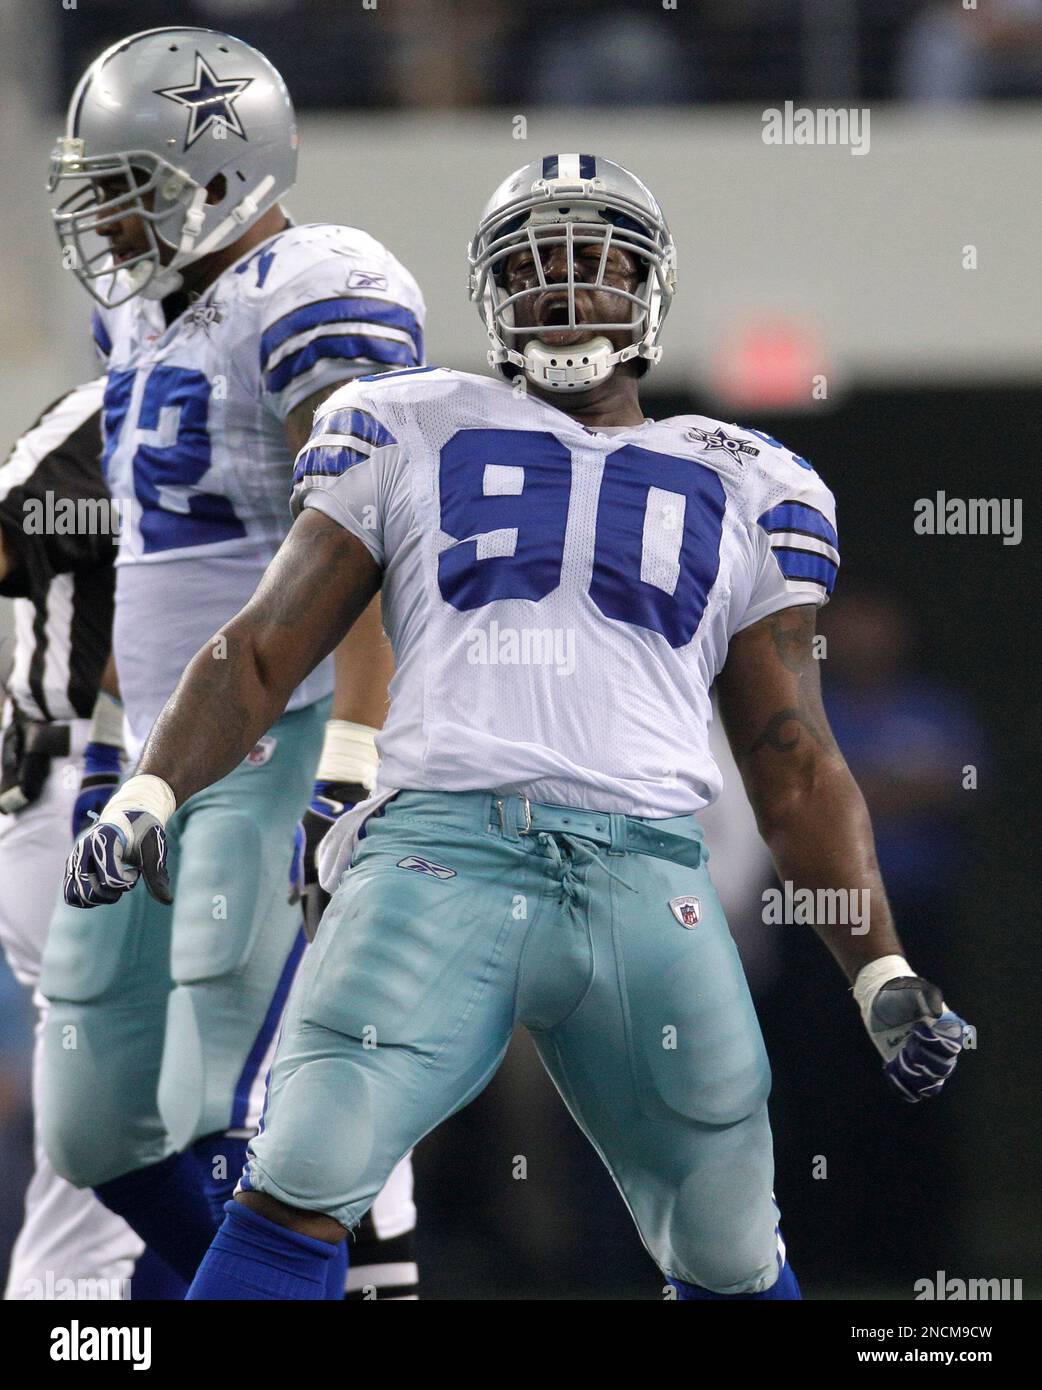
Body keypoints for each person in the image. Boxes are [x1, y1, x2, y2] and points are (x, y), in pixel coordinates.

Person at [64, 153, 968, 1301]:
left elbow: (790, 756)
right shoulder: (399, 420)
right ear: (492, 294)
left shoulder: (752, 479)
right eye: (536, 269)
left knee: (732, 1248)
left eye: (595, 266)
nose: (566, 291)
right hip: (439, 853)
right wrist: (152, 792)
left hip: (650, 879)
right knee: (299, 1172)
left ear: (649, 287)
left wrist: (878, 966)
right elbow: (256, 647)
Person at [40, 26, 424, 1299]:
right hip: (151, 756)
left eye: (125, 184)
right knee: (92, 1124)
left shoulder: (318, 281)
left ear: (220, 175)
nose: (100, 214)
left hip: (284, 740)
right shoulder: (140, 316)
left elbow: (362, 536)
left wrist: (354, 760)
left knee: (231, 1109)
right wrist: (105, 743)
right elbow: (144, 561)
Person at [0, 383, 148, 1299]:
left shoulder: (297, 424)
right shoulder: (116, 414)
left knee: (246, 1136)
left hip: (229, 797)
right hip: (84, 787)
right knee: (101, 1149)